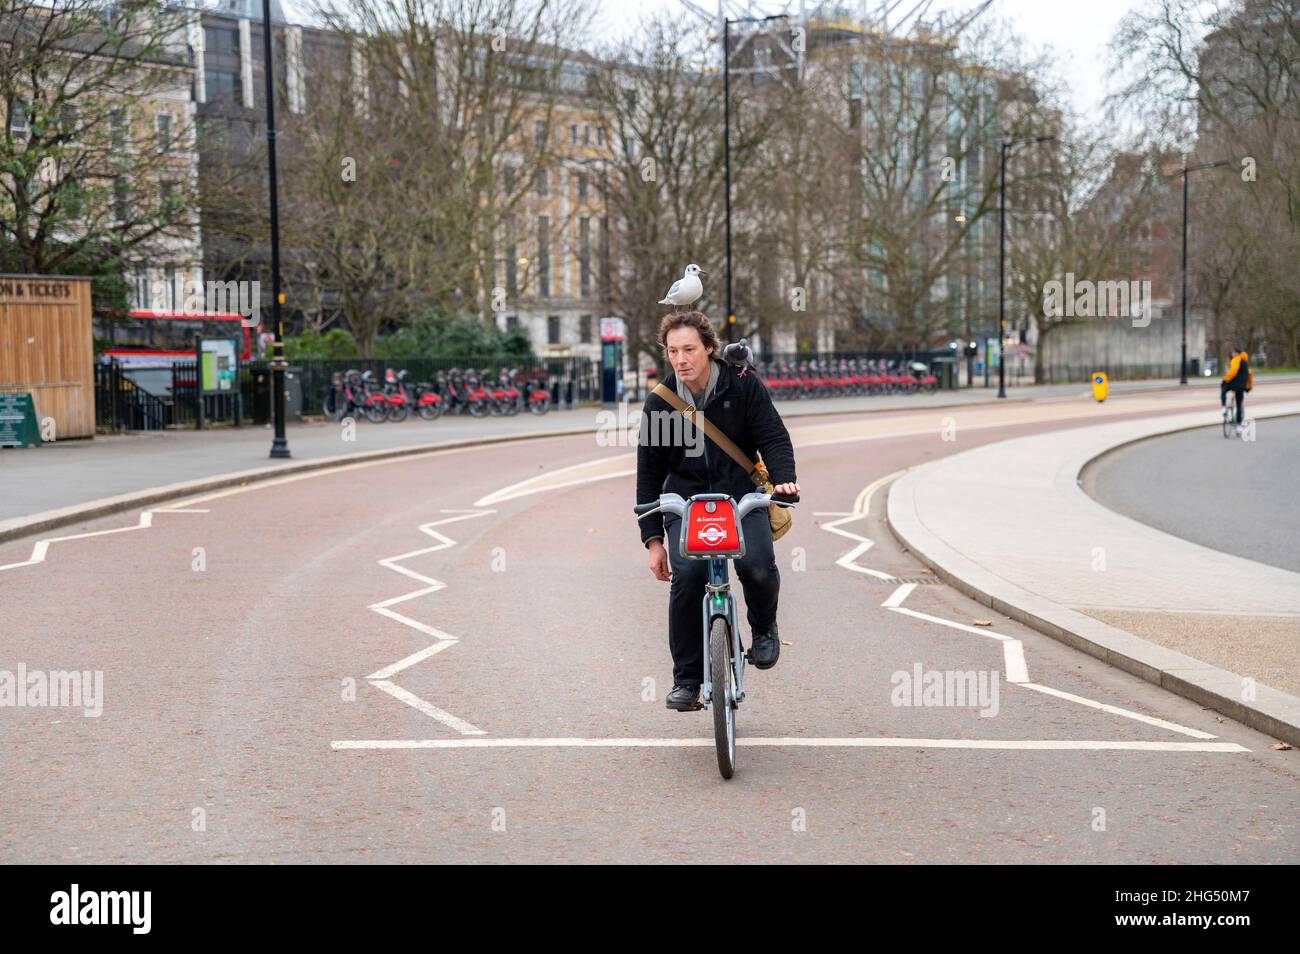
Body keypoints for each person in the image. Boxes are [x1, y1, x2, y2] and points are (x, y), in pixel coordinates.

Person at [635, 310, 800, 712]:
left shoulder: (742, 387)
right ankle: (688, 680)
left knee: (757, 566)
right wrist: (654, 541)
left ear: (709, 348)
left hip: (740, 497)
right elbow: (649, 476)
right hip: (686, 504)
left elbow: (773, 436)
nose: (681, 359)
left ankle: (763, 629)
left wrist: (783, 479)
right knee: (687, 578)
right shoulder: (661, 403)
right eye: (673, 351)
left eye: (689, 349)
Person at [1220, 346, 1252, 434]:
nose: (1232, 354)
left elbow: (1233, 372)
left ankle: (1223, 407)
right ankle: (1238, 426)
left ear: (1237, 353)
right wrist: (1249, 386)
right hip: (1242, 386)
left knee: (1223, 388)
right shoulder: (1245, 362)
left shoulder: (1236, 360)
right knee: (1239, 405)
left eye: (1233, 352)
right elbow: (1249, 374)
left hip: (1234, 384)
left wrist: (1224, 380)